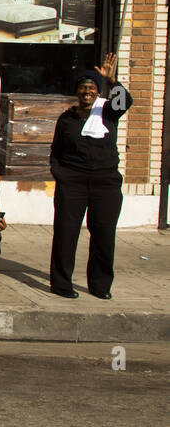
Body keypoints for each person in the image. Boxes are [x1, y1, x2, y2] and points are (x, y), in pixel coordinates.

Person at [49, 54, 133, 300]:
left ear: (98, 92)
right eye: (83, 87)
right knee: (66, 233)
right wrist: (61, 175)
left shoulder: (107, 112)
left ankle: (100, 285)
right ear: (77, 92)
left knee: (104, 234)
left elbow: (124, 102)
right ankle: (61, 284)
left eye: (92, 87)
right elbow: (56, 151)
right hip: (72, 183)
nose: (87, 91)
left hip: (105, 182)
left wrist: (112, 80)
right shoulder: (67, 118)